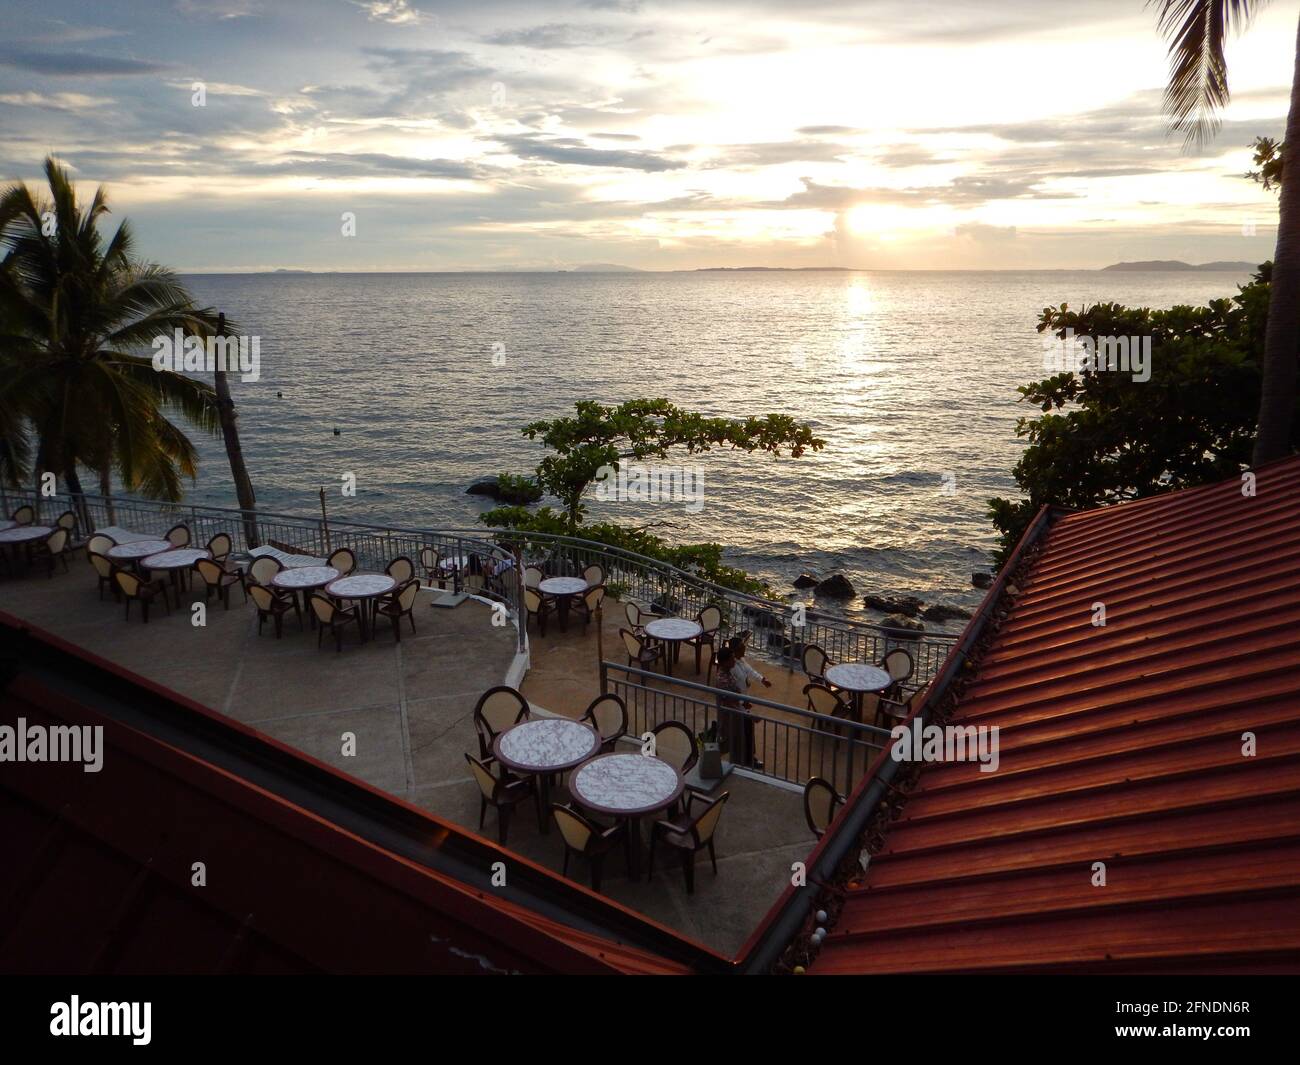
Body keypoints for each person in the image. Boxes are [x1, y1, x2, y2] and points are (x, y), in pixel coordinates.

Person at [714, 645, 761, 770]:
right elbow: (730, 703)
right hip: (731, 716)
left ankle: (749, 758)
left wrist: (744, 704)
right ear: (724, 662)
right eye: (732, 659)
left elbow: (735, 695)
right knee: (738, 740)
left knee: (747, 733)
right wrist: (749, 714)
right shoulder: (722, 680)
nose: (734, 661)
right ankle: (742, 763)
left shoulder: (728, 673)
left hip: (738, 711)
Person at [728, 636, 771, 708]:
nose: (744, 648)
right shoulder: (732, 667)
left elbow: (750, 671)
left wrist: (762, 680)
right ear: (736, 650)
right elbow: (736, 688)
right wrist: (742, 702)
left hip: (743, 699)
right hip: (737, 703)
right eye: (742, 646)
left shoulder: (741, 660)